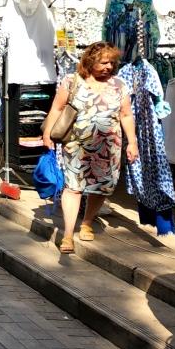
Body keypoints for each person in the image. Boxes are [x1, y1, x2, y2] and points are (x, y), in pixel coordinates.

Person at [43, 42, 139, 254]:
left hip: (109, 146)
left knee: (102, 186)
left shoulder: (119, 85)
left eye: (112, 63)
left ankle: (87, 221)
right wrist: (47, 133)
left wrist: (132, 142)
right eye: (104, 62)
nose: (108, 67)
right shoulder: (71, 81)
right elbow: (56, 109)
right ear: (90, 61)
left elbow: (125, 115)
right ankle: (67, 234)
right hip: (76, 144)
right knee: (73, 186)